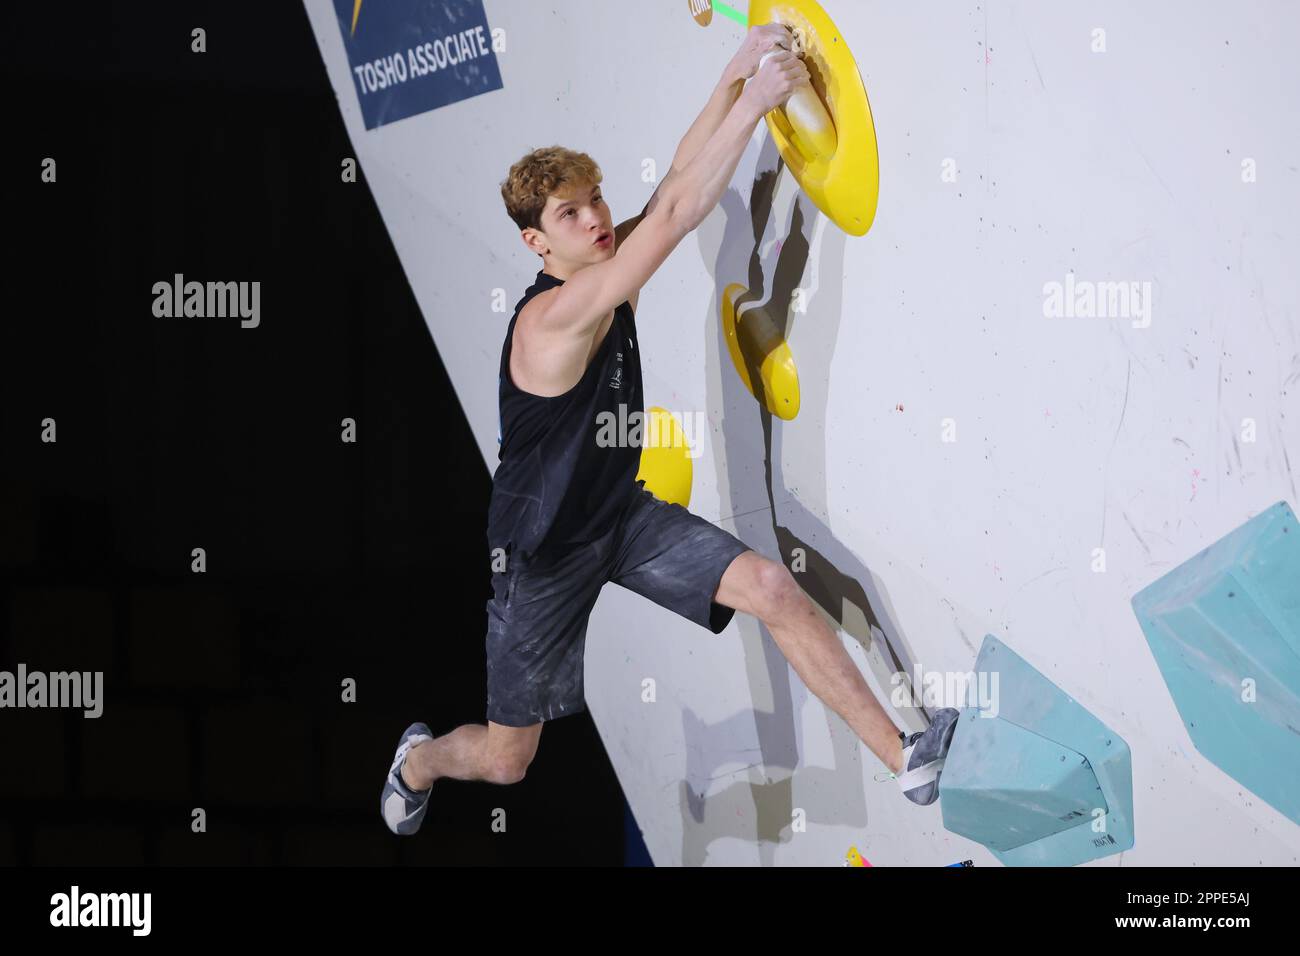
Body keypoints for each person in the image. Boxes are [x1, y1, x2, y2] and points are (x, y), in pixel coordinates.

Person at [381, 25, 959, 837]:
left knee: (770, 587)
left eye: (594, 199)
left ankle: (909, 759)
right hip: (542, 554)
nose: (596, 219)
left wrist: (730, 76)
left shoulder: (605, 275)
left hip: (621, 517)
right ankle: (418, 761)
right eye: (569, 214)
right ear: (536, 242)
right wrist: (758, 100)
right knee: (510, 762)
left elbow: (676, 182)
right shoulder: (558, 316)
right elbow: (683, 210)